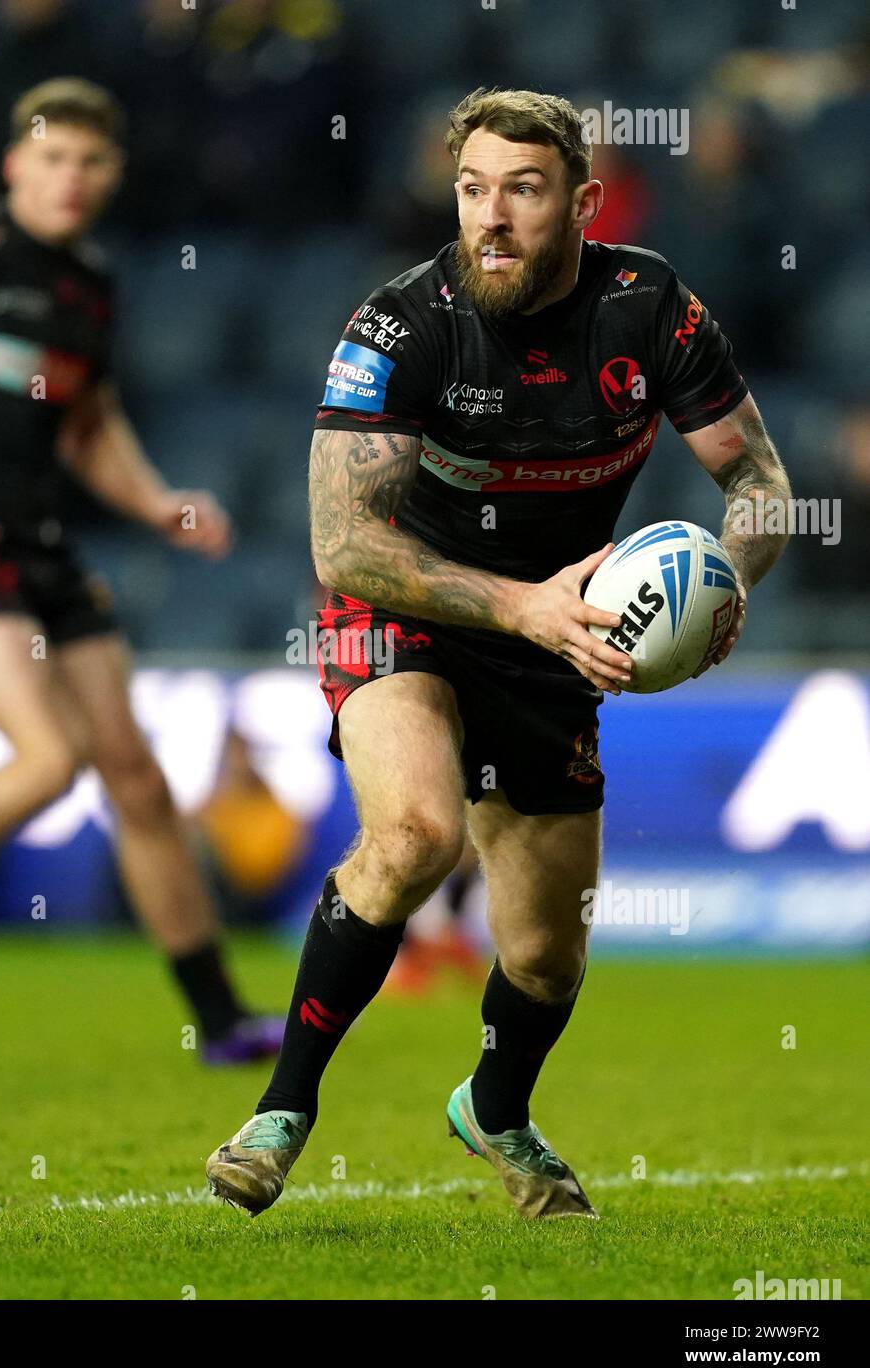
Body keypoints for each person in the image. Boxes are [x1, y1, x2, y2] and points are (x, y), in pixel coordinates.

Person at [206, 86, 792, 1217]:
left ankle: (496, 1108)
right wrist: (515, 603)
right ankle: (281, 1109)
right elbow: (342, 541)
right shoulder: (401, 324)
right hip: (407, 605)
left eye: (522, 191)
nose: (490, 216)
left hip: (556, 635)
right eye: (472, 188)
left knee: (543, 958)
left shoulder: (649, 307)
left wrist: (729, 582)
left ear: (581, 201)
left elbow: (756, 480)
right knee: (417, 829)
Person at [0, 77, 283, 1066]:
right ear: (15, 163)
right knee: (45, 757)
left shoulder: (91, 286)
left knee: (137, 779)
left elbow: (88, 422)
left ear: (112, 174)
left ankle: (221, 1018)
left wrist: (154, 500)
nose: (71, 178)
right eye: (53, 157)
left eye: (91, 161)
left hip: (42, 554)